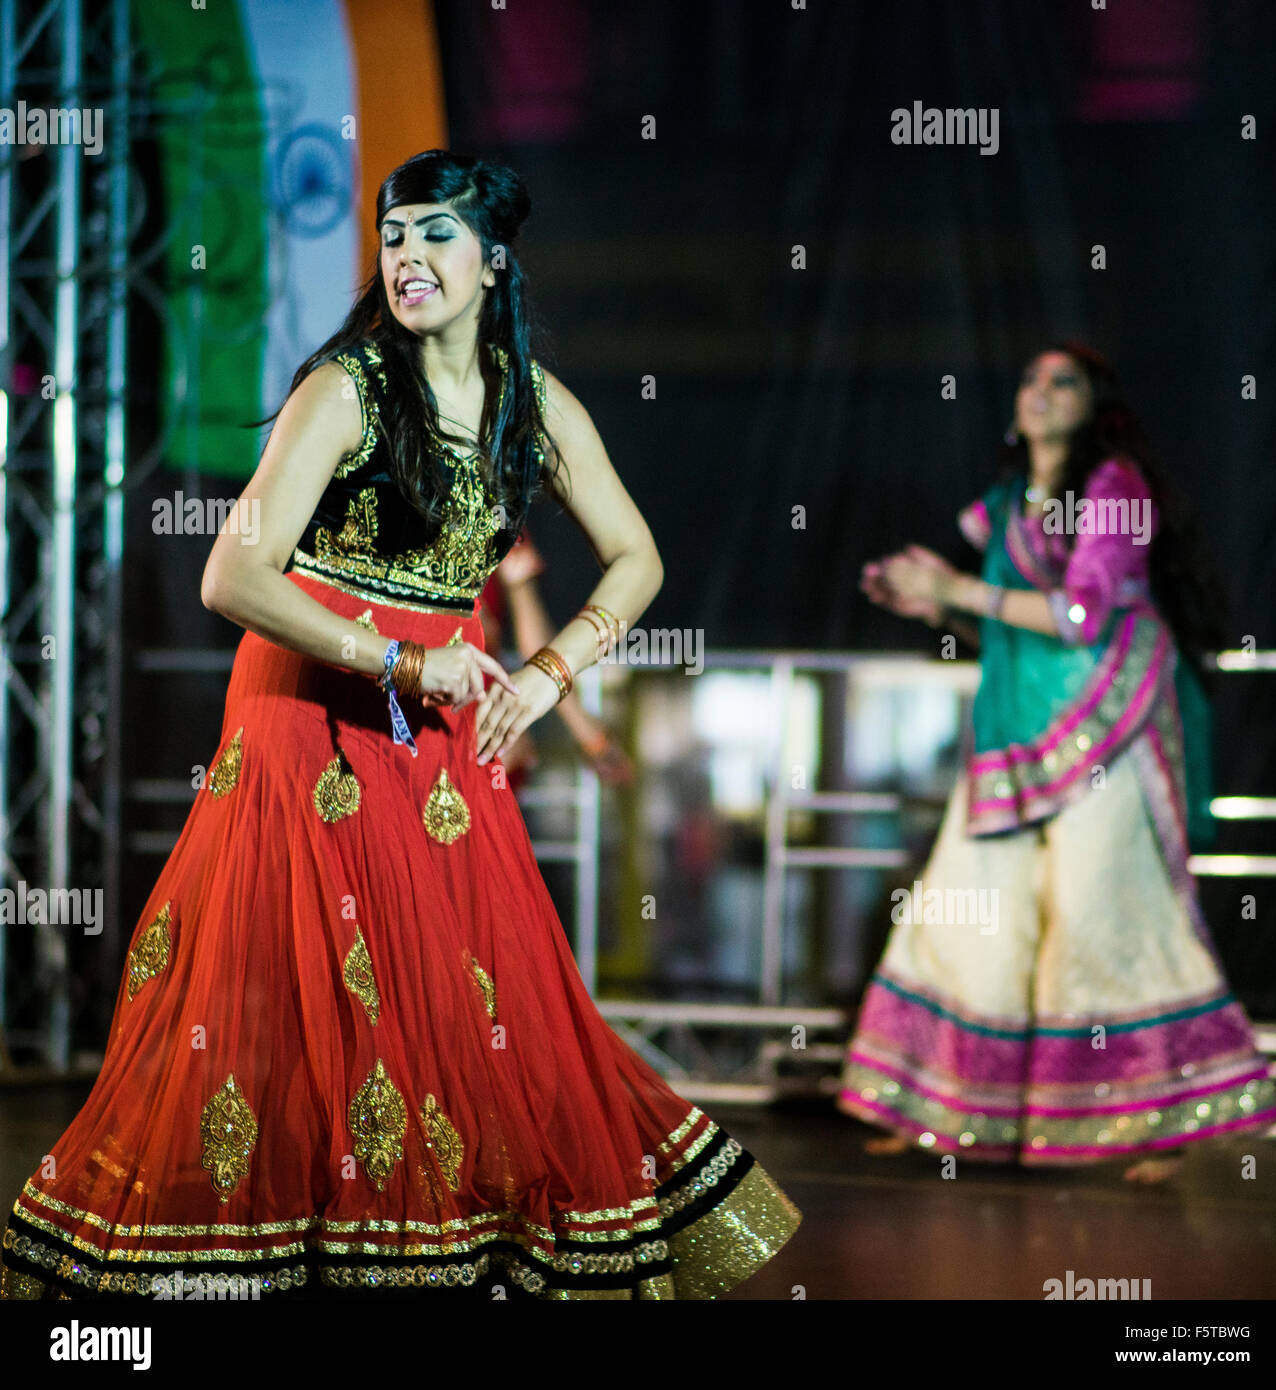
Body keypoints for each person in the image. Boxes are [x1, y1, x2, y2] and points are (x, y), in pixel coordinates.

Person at [0, 150, 799, 1300]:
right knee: (302, 979)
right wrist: (399, 656)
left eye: (437, 236)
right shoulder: (347, 389)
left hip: (441, 728)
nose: (409, 258)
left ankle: (420, 1240)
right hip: (306, 711)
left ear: (493, 261)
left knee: (457, 984)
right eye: (394, 236)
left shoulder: (534, 402)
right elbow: (232, 575)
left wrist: (548, 674)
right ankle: (281, 1250)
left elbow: (639, 558)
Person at [836, 342, 1276, 1182]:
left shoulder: (1116, 488)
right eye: (1032, 379)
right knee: (967, 909)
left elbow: (1080, 616)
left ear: (1096, 406)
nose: (1042, 390)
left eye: (1064, 380)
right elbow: (1013, 628)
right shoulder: (1007, 504)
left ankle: (1159, 1123)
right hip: (1016, 731)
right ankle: (942, 1108)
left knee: (1100, 915)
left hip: (1107, 726)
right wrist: (932, 599)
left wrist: (956, 590)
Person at [478, 525, 634, 791]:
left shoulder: (499, 510)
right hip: (402, 708)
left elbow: (534, 643)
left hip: (485, 727)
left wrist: (590, 735)